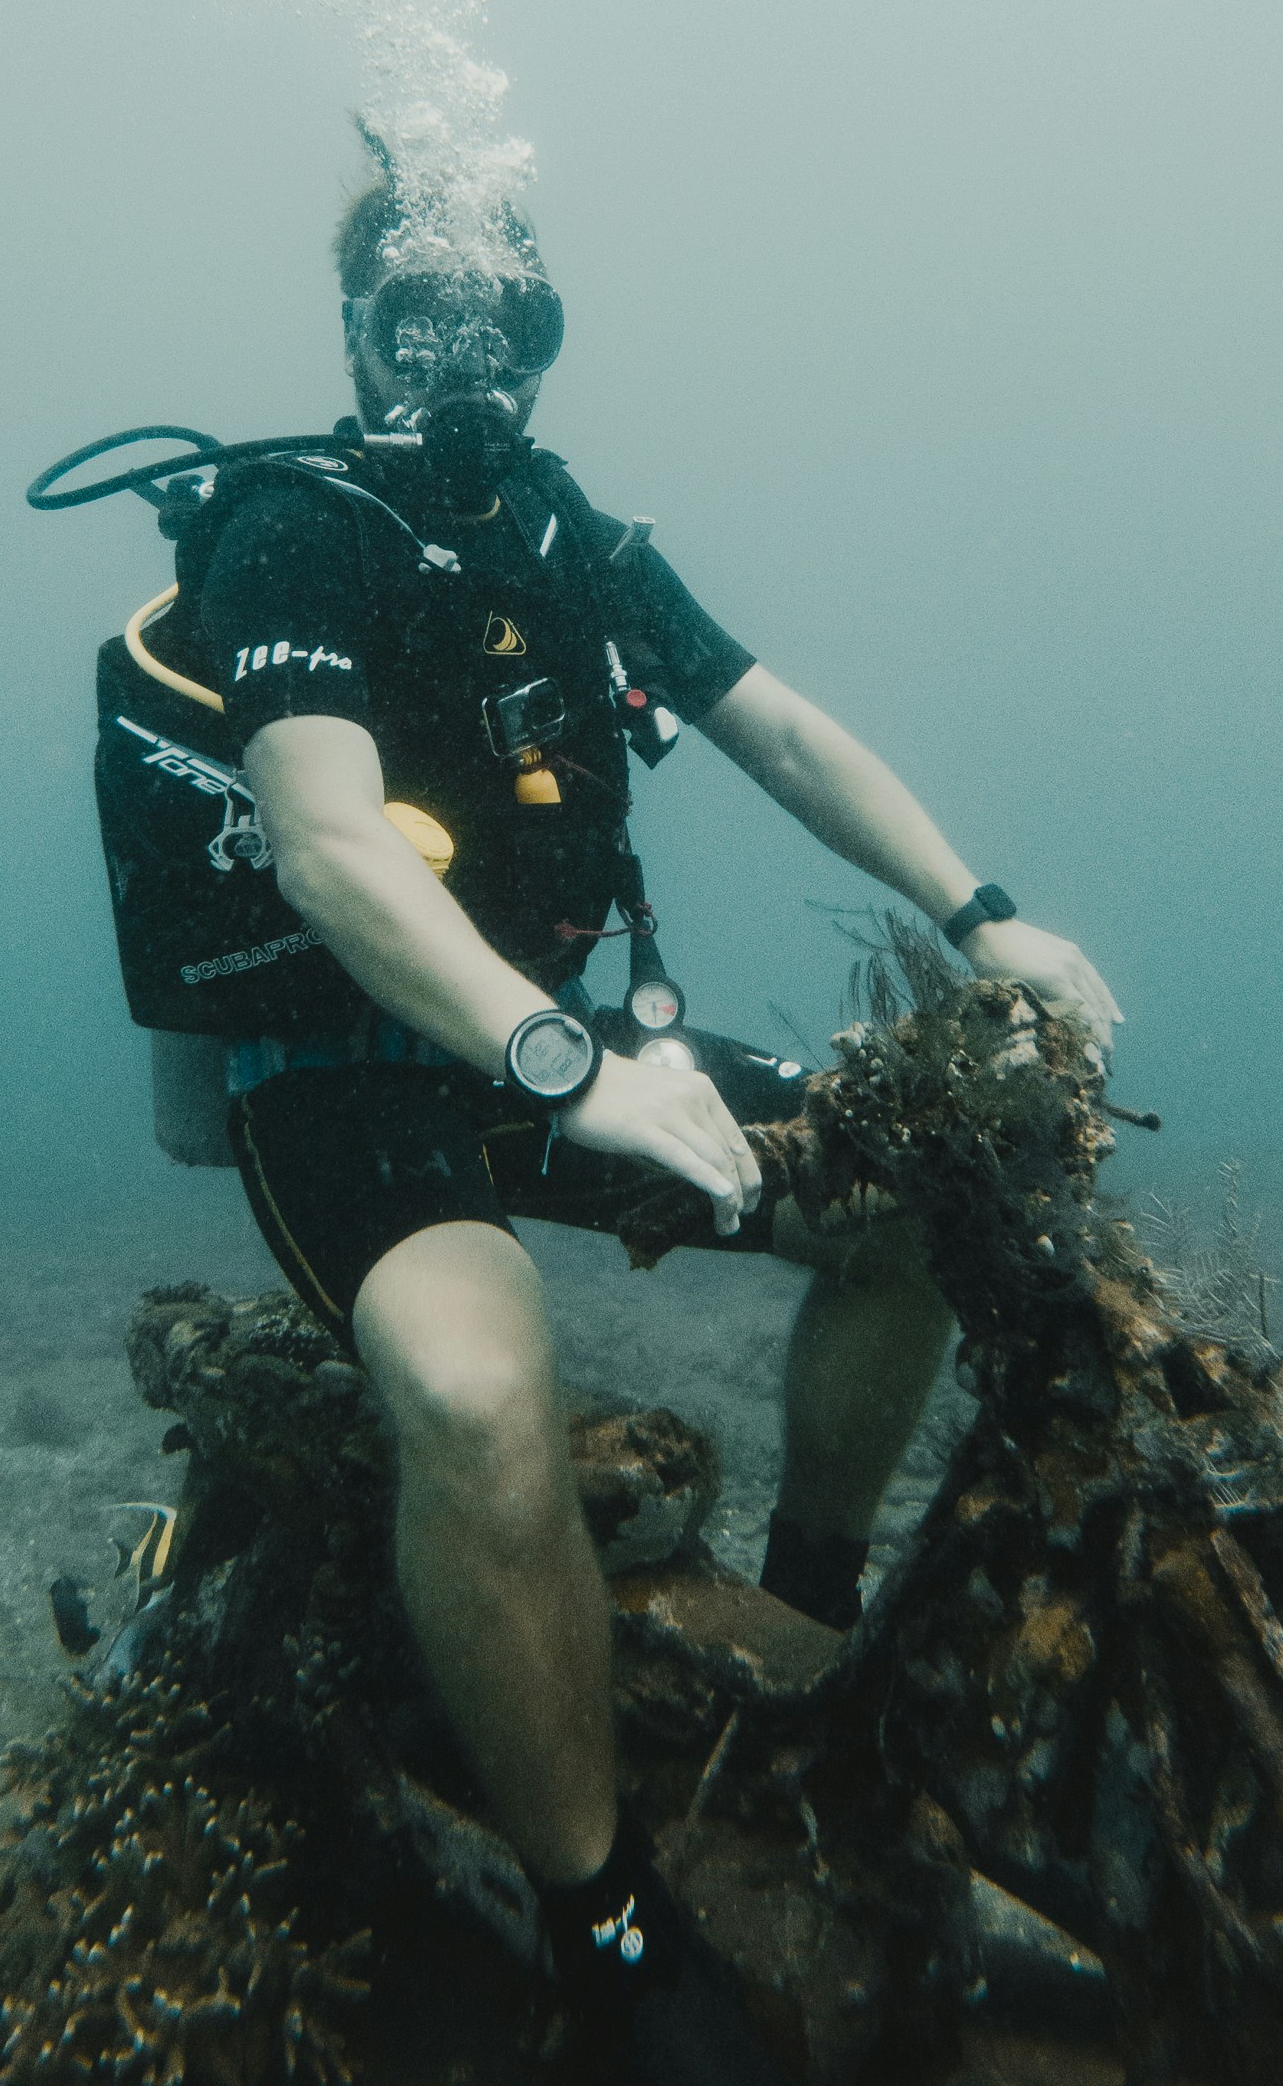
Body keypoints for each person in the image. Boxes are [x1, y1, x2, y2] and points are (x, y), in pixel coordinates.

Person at [107, 162, 1118, 2084]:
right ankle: (613, 1937)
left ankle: (796, 1643)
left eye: (514, 325)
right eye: (424, 321)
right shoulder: (289, 532)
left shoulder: (575, 541)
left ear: (550, 349)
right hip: (335, 1081)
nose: (470, 363)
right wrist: (573, 1071)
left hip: (546, 1056)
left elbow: (784, 730)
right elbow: (324, 853)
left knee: (913, 1203)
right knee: (483, 1401)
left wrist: (988, 918)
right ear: (359, 340)